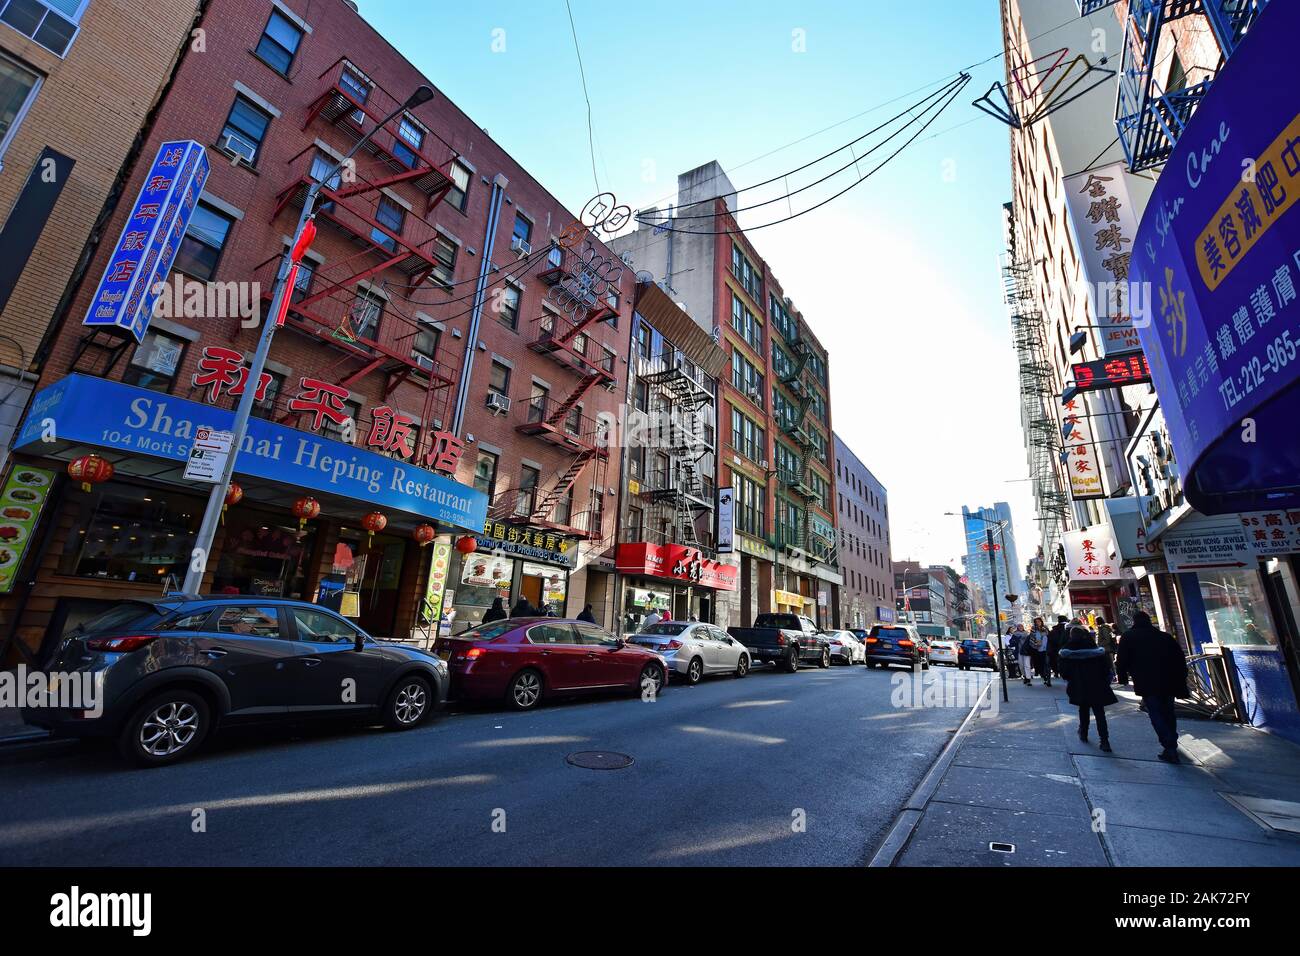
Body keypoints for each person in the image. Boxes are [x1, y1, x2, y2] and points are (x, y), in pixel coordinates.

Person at [1117, 611, 1189, 763]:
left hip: (1147, 681)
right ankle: (1171, 743)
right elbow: (1179, 659)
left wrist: (1122, 677)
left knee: (1156, 713)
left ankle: (1169, 744)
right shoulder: (1165, 637)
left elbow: (1122, 659)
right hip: (1169, 681)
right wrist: (1182, 679)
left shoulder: (1129, 637)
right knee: (1168, 712)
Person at [1058, 625, 1117, 752]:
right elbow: (1106, 669)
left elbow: (1064, 671)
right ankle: (1104, 740)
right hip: (1097, 685)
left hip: (1079, 685)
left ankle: (1083, 732)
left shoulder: (1067, 651)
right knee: (1099, 713)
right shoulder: (1096, 650)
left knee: (1083, 709)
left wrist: (1072, 679)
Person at [1045, 615, 1069, 684]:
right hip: (1068, 649)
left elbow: (1051, 640)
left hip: (1056, 651)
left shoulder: (1054, 630)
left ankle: (1057, 672)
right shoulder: (1069, 628)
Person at [1095, 615, 1118, 682]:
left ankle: (1114, 676)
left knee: (1110, 663)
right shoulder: (1101, 628)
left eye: (1095, 621)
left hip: (1107, 649)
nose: (1095, 622)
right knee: (1109, 663)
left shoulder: (1104, 628)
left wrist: (1099, 644)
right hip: (1105, 649)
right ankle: (1113, 676)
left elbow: (1107, 639)